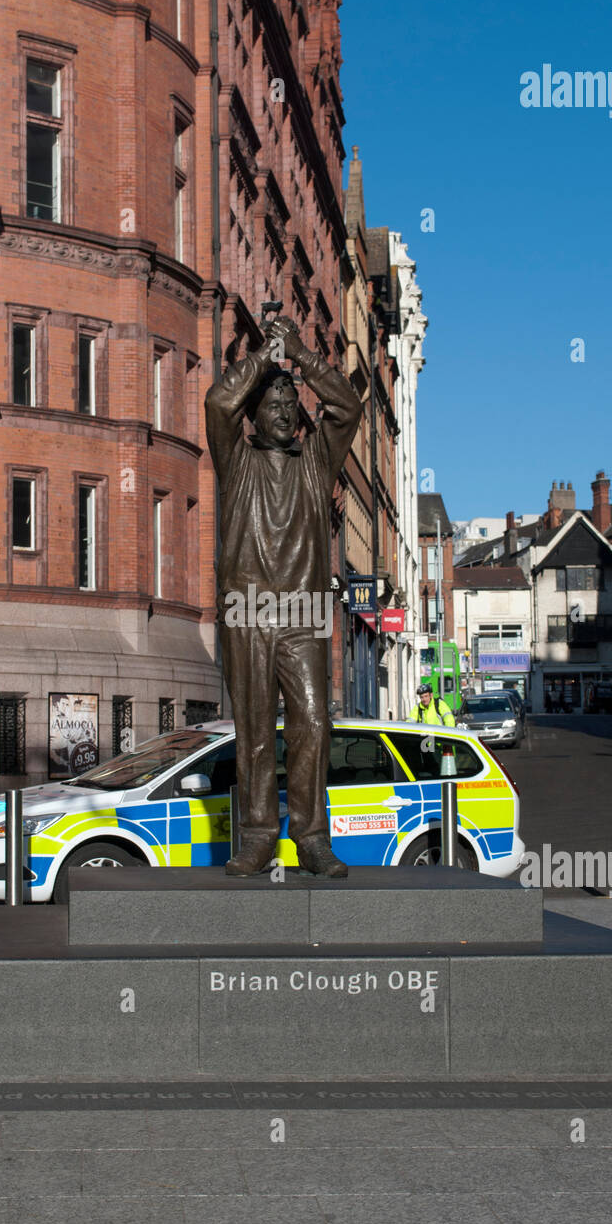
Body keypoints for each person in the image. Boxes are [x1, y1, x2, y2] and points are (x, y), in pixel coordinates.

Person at [205, 314, 362, 877]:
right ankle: (257, 838)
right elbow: (218, 403)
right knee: (251, 730)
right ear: (254, 415)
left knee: (313, 725)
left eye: (290, 405)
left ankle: (312, 838)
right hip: (246, 616)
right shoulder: (238, 461)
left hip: (304, 616)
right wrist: (265, 359)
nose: (284, 411)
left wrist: (298, 354)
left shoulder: (317, 462)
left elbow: (346, 407)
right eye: (272, 404)